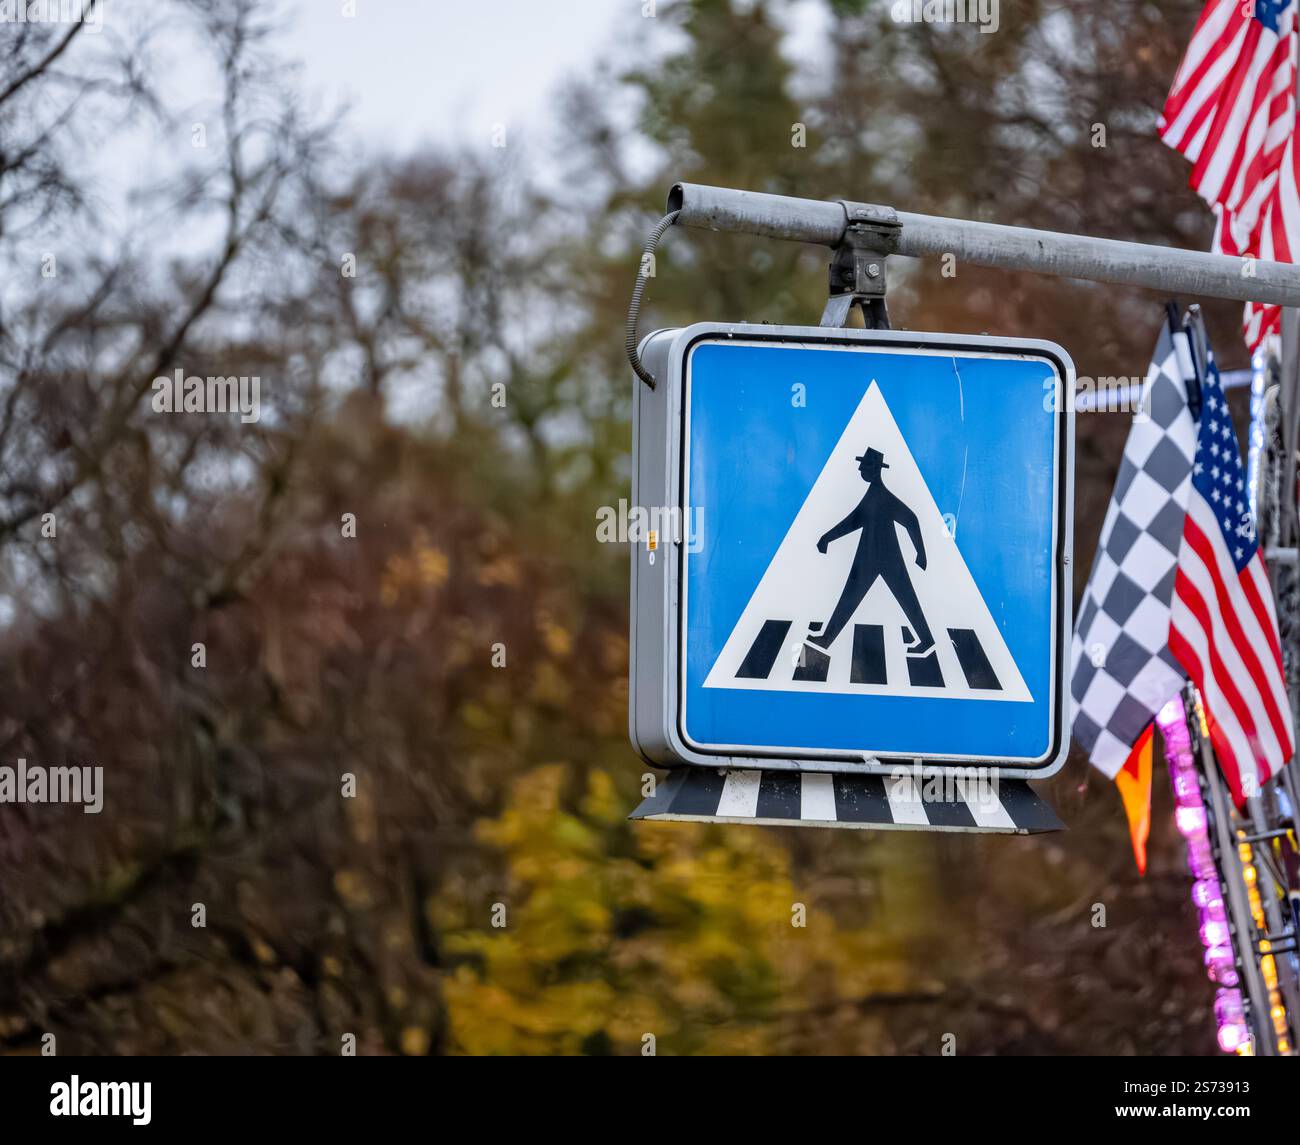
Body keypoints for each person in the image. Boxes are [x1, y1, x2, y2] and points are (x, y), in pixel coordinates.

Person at [809, 447, 934, 656]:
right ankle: (826, 639)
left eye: (865, 466)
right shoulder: (873, 495)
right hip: (871, 555)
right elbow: (854, 520)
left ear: (875, 470)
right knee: (852, 597)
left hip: (883, 557)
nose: (861, 470)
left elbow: (911, 519)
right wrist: (826, 538)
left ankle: (826, 639)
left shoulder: (881, 496)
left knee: (903, 599)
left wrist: (921, 553)